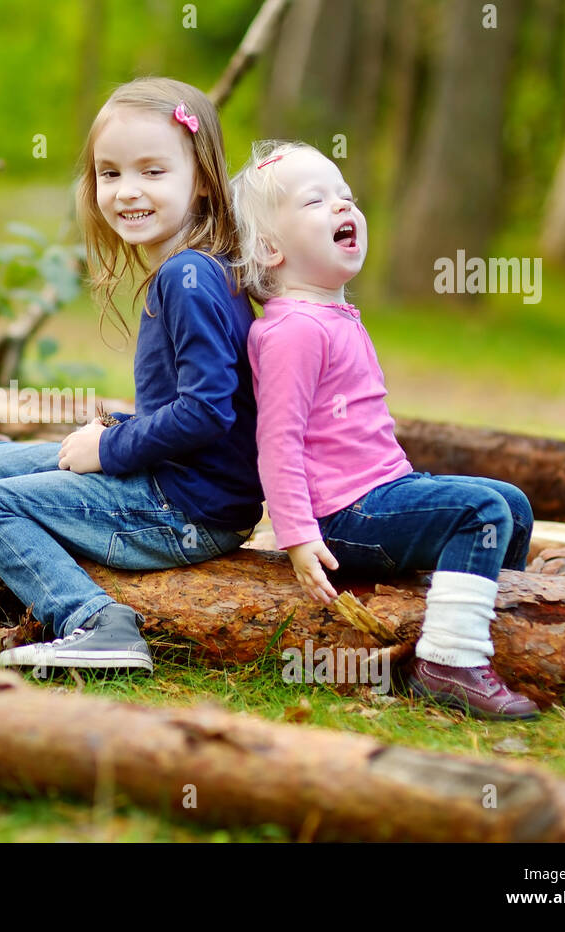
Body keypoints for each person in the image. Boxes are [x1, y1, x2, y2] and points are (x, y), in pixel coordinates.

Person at [0, 77, 262, 673]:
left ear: (201, 178)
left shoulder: (186, 279)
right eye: (110, 172)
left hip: (189, 510)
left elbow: (207, 414)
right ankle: (65, 525)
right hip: (179, 477)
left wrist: (111, 447)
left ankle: (95, 621)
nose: (127, 191)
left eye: (153, 171)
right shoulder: (190, 269)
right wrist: (122, 429)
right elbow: (194, 409)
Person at [231, 140, 539, 720]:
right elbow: (277, 440)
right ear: (271, 248)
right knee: (481, 512)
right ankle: (449, 663)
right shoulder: (295, 330)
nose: (343, 207)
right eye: (315, 201)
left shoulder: (332, 312)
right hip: (344, 519)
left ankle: (490, 629)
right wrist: (296, 535)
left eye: (345, 196)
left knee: (511, 505)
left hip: (383, 493)